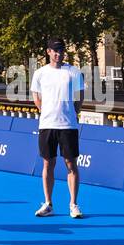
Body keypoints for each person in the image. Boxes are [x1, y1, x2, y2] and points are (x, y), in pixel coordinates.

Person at [32, 37, 85, 219]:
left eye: (61, 50)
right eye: (55, 50)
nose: (58, 53)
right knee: (48, 163)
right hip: (47, 124)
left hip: (68, 125)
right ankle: (48, 204)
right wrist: (47, 111)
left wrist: (71, 113)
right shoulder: (39, 73)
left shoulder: (74, 72)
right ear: (48, 52)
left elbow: (80, 97)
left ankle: (73, 204)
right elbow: (36, 98)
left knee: (71, 164)